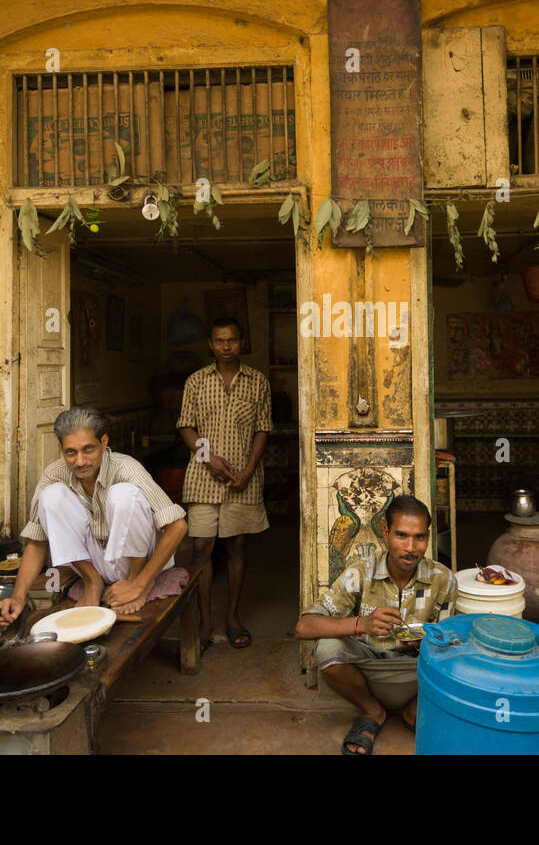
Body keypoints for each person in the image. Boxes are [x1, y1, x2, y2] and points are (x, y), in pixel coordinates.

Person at [0, 407, 189, 625]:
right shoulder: (54, 474)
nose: (80, 461)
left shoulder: (127, 468)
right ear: (60, 448)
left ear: (103, 443)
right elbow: (37, 543)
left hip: (136, 559)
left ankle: (135, 581)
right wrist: (18, 597)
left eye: (88, 450)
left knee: (124, 494)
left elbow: (178, 526)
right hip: (96, 562)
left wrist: (140, 583)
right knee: (51, 496)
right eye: (71, 452)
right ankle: (92, 581)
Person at [294, 495, 456, 755]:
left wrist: (429, 639)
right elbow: (304, 627)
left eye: (420, 537)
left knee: (460, 655)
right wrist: (362, 624)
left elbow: (447, 644)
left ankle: (414, 710)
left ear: (428, 537)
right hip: (369, 672)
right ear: (385, 532)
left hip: (417, 676)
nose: (411, 547)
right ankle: (372, 711)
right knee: (326, 648)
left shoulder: (443, 579)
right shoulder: (359, 573)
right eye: (401, 535)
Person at [177, 316, 271, 651]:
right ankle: (205, 622)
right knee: (201, 548)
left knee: (237, 546)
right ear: (210, 343)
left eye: (231, 340)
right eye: (219, 341)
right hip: (203, 477)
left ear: (241, 342)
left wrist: (248, 469)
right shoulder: (196, 381)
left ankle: (231, 617)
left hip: (242, 480)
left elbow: (263, 428)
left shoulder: (257, 381)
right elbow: (186, 425)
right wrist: (207, 457)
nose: (226, 347)